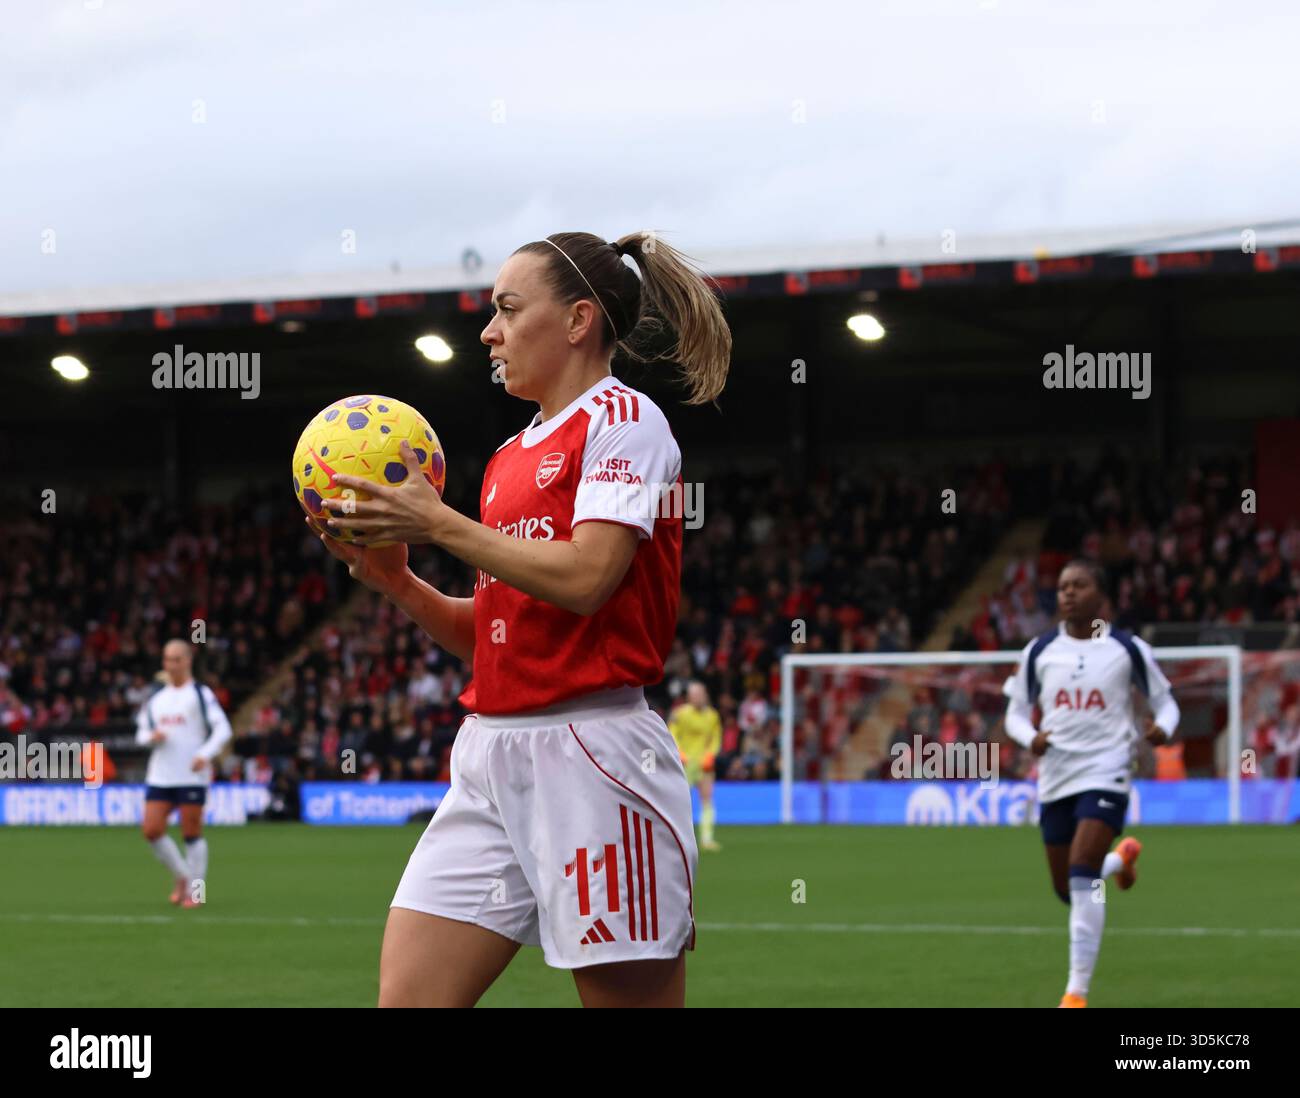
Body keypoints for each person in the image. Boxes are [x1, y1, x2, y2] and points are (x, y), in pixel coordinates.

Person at [312, 231, 731, 1007]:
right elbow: (497, 634)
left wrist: (438, 525)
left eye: (507, 309)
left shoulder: (626, 422)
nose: (488, 332)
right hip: (490, 754)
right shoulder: (509, 455)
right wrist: (399, 583)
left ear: (577, 321)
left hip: (597, 758)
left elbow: (588, 578)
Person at [1002, 560, 1179, 1008]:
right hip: (1057, 775)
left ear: (1101, 596)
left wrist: (1163, 729)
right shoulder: (1039, 651)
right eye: (1062, 587)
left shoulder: (1127, 648)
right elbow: (1015, 714)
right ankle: (1119, 862)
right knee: (1069, 887)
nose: (1068, 593)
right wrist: (1031, 737)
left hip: (1108, 768)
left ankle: (1075, 994)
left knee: (1082, 867)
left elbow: (1165, 702)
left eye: (1079, 585)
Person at [135, 640, 232, 907]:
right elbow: (141, 733)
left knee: (191, 832)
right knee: (151, 830)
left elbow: (223, 729)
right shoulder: (156, 699)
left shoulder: (200, 694)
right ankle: (183, 876)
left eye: (177, 659)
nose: (172, 665)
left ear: (188, 661)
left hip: (191, 775)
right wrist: (150, 737)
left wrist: (205, 754)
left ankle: (196, 891)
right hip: (161, 774)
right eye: (167, 659)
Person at [669, 681, 723, 851]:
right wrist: (680, 753)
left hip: (704, 764)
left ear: (705, 695)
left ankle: (707, 839)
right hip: (684, 763)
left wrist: (710, 755)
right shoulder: (680, 714)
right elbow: (672, 733)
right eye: (695, 695)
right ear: (689, 697)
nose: (698, 698)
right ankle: (678, 838)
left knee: (707, 799)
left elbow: (716, 738)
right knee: (680, 801)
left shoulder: (712, 716)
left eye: (700, 694)